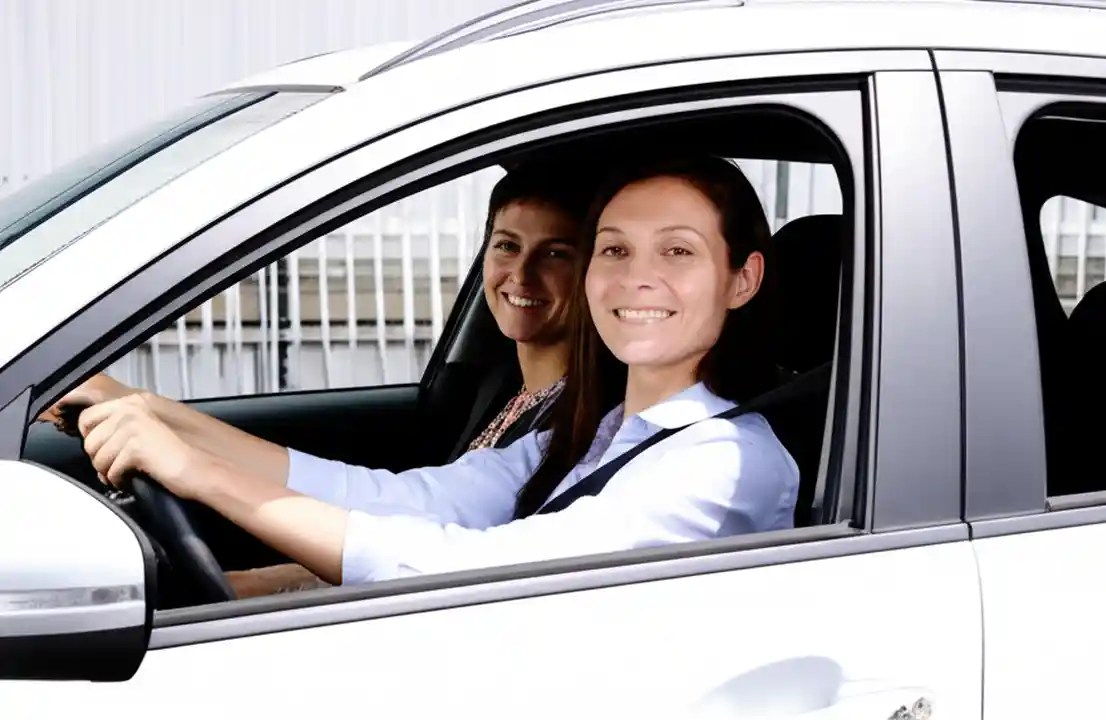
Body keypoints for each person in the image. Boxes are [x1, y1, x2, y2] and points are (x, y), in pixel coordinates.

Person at [53, 154, 799, 591]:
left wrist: (196, 472)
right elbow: (399, 499)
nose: (637, 278)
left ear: (742, 279)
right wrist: (150, 411)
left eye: (677, 252)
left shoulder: (727, 464)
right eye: (614, 249)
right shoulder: (599, 433)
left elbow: (474, 567)